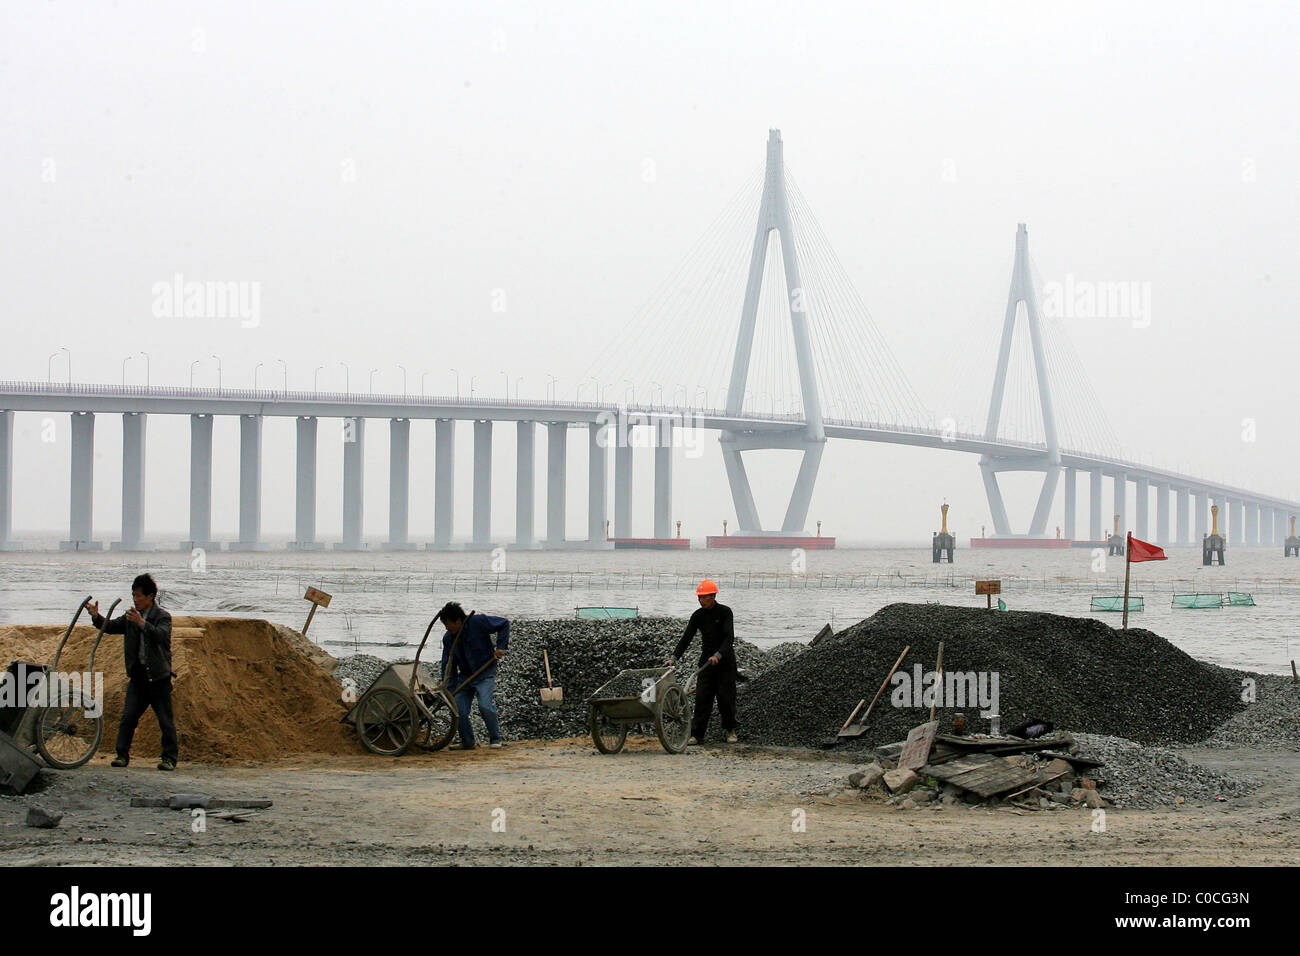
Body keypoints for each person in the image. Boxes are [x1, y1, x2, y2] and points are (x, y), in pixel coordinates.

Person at [87, 573, 177, 770]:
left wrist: (142, 624)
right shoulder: (130, 618)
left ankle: (169, 758)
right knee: (128, 717)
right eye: (133, 595)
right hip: (138, 678)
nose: (135, 599)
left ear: (150, 596)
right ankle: (121, 755)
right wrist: (96, 616)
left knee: (165, 721)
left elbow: (161, 636)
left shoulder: (162, 617)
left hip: (159, 678)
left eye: (139, 596)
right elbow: (109, 627)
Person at [667, 579, 738, 745]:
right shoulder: (697, 615)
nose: (701, 600)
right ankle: (697, 735)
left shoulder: (725, 612)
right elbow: (686, 638)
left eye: (704, 597)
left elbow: (729, 637)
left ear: (713, 596)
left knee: (725, 699)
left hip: (725, 663)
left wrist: (719, 655)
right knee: (702, 699)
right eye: (699, 597)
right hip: (706, 663)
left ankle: (730, 730)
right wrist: (674, 657)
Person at [437, 601, 509, 750]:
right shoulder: (449, 638)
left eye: (448, 624)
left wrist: (501, 647)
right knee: (458, 709)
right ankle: (467, 741)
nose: (447, 628)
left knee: (485, 705)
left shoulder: (478, 622)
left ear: (458, 621)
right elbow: (448, 665)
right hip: (466, 677)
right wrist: (449, 689)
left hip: (485, 672)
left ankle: (495, 738)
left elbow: (504, 624)